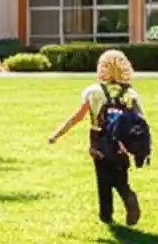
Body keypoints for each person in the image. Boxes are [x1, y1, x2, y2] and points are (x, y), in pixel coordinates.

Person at [47, 49, 143, 227]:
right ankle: (127, 195)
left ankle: (106, 215)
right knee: (120, 176)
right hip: (121, 143)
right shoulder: (130, 94)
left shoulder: (93, 92)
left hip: (99, 141)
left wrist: (57, 134)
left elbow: (78, 116)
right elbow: (140, 120)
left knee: (103, 179)